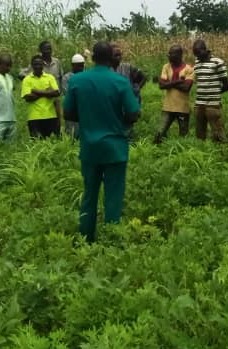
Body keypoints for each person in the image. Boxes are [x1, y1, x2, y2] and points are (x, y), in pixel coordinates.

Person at [63, 41, 141, 242]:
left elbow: (68, 113)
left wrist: (89, 120)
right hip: (115, 147)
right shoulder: (120, 82)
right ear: (111, 58)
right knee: (113, 196)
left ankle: (85, 238)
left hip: (89, 147)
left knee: (90, 194)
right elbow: (134, 113)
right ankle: (111, 239)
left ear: (92, 58)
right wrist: (118, 122)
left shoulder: (78, 81)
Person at [154, 44, 194, 143]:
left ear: (179, 55)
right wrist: (178, 81)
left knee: (183, 137)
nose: (169, 56)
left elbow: (186, 88)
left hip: (182, 108)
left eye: (171, 54)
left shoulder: (189, 69)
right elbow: (161, 86)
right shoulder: (166, 67)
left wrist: (168, 83)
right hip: (168, 107)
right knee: (159, 134)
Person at [192, 39, 228, 142]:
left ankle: (223, 153)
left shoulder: (218, 62)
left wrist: (214, 93)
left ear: (205, 49)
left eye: (198, 53)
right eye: (195, 54)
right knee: (200, 134)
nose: (197, 56)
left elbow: (227, 86)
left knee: (218, 132)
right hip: (199, 104)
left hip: (213, 104)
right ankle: (202, 153)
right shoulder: (197, 63)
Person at [21, 56, 61, 138]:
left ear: (43, 65)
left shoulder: (50, 77)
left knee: (51, 145)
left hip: (50, 116)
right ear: (32, 65)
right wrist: (47, 92)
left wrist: (36, 91)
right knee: (36, 145)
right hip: (34, 117)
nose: (38, 67)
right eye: (35, 64)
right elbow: (28, 98)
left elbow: (56, 93)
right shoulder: (27, 79)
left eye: (39, 64)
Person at [61, 54, 85, 138]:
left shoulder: (86, 76)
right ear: (73, 65)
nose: (80, 68)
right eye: (78, 66)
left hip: (84, 110)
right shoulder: (67, 77)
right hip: (71, 110)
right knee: (71, 133)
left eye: (82, 65)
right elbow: (68, 93)